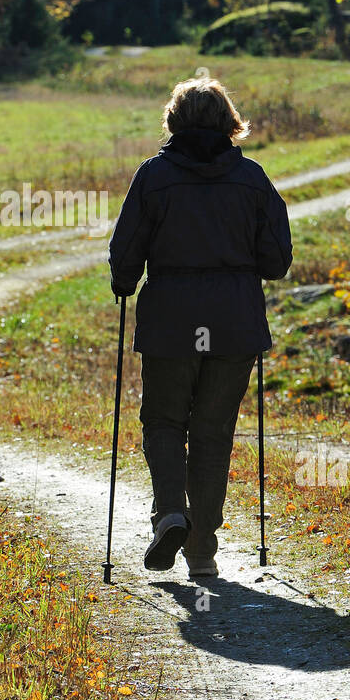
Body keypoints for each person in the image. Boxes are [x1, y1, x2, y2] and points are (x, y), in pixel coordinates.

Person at [108, 76, 292, 579]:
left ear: (174, 120)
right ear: (229, 121)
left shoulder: (154, 177)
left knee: (165, 422)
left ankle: (171, 512)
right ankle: (203, 550)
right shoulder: (252, 179)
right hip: (234, 323)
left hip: (171, 319)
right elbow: (276, 261)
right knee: (213, 434)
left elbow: (126, 251)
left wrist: (124, 281)